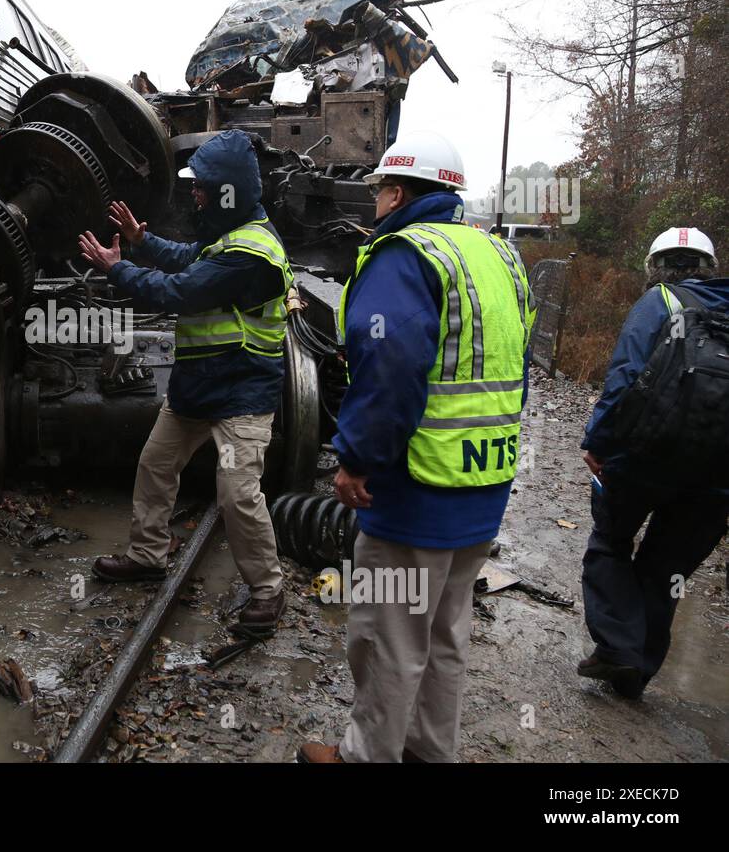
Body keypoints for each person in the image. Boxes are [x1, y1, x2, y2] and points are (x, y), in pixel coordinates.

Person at [299, 132, 535, 763]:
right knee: (445, 633)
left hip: (415, 490)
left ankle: (363, 756)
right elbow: (518, 362)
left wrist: (356, 460)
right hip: (484, 483)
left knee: (388, 636)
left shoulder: (403, 256)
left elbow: (389, 368)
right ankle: (430, 752)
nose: (375, 200)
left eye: (379, 189)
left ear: (397, 192)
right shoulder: (497, 256)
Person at [78, 130, 293, 633]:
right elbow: (189, 258)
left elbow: (180, 291)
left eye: (202, 186)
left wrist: (118, 268)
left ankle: (268, 591)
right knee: (156, 465)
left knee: (237, 493)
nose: (194, 194)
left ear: (228, 191)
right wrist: (140, 240)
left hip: (242, 395)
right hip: (198, 389)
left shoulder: (251, 254)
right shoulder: (229, 235)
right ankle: (148, 557)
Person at [578, 227, 729, 699]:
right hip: (717, 475)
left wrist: (598, 442)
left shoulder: (658, 303)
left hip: (645, 455)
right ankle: (638, 669)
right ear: (709, 266)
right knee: (669, 569)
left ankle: (618, 649)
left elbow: (625, 380)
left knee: (609, 541)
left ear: (655, 265)